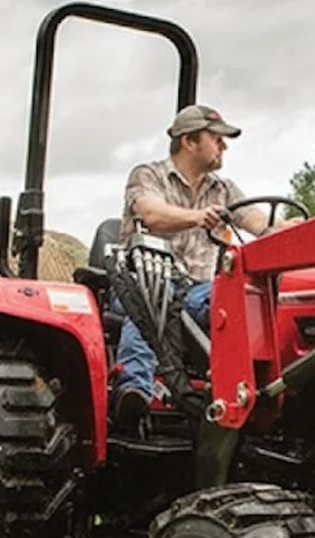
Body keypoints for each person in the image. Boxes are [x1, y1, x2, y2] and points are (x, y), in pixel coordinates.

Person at [113, 104, 285, 434]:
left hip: (199, 291)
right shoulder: (148, 175)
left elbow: (259, 223)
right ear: (189, 141)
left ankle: (257, 393)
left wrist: (285, 227)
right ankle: (133, 390)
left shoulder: (224, 189)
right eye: (217, 139)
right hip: (142, 282)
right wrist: (196, 217)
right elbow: (151, 213)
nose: (224, 146)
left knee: (245, 295)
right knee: (153, 297)